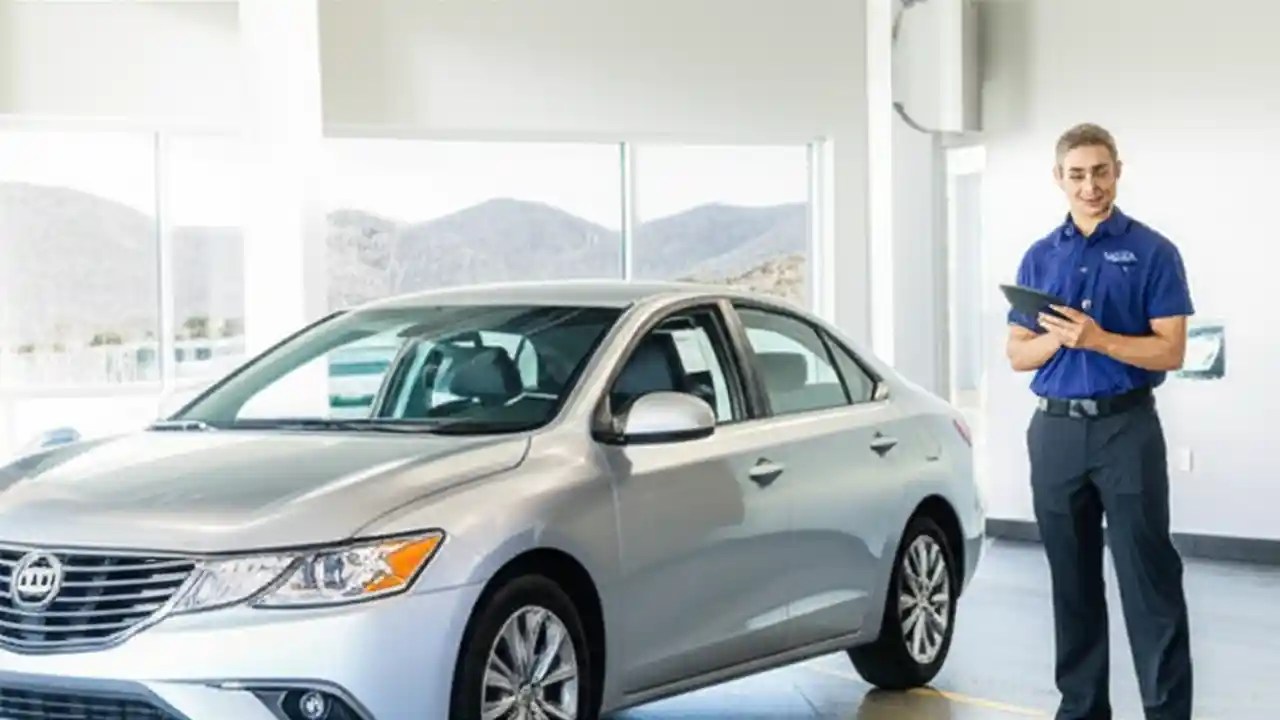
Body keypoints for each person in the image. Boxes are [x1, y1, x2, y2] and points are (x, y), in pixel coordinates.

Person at [1005, 123, 1195, 720]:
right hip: (1055, 432)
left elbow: (1170, 351)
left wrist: (1100, 339)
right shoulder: (1040, 256)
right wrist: (1058, 341)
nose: (1091, 186)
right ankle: (1082, 711)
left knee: (1148, 580)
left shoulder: (1153, 252)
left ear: (1118, 171)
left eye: (1101, 171)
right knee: (1072, 582)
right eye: (1078, 174)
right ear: (1059, 178)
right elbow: (1017, 353)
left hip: (1126, 430)